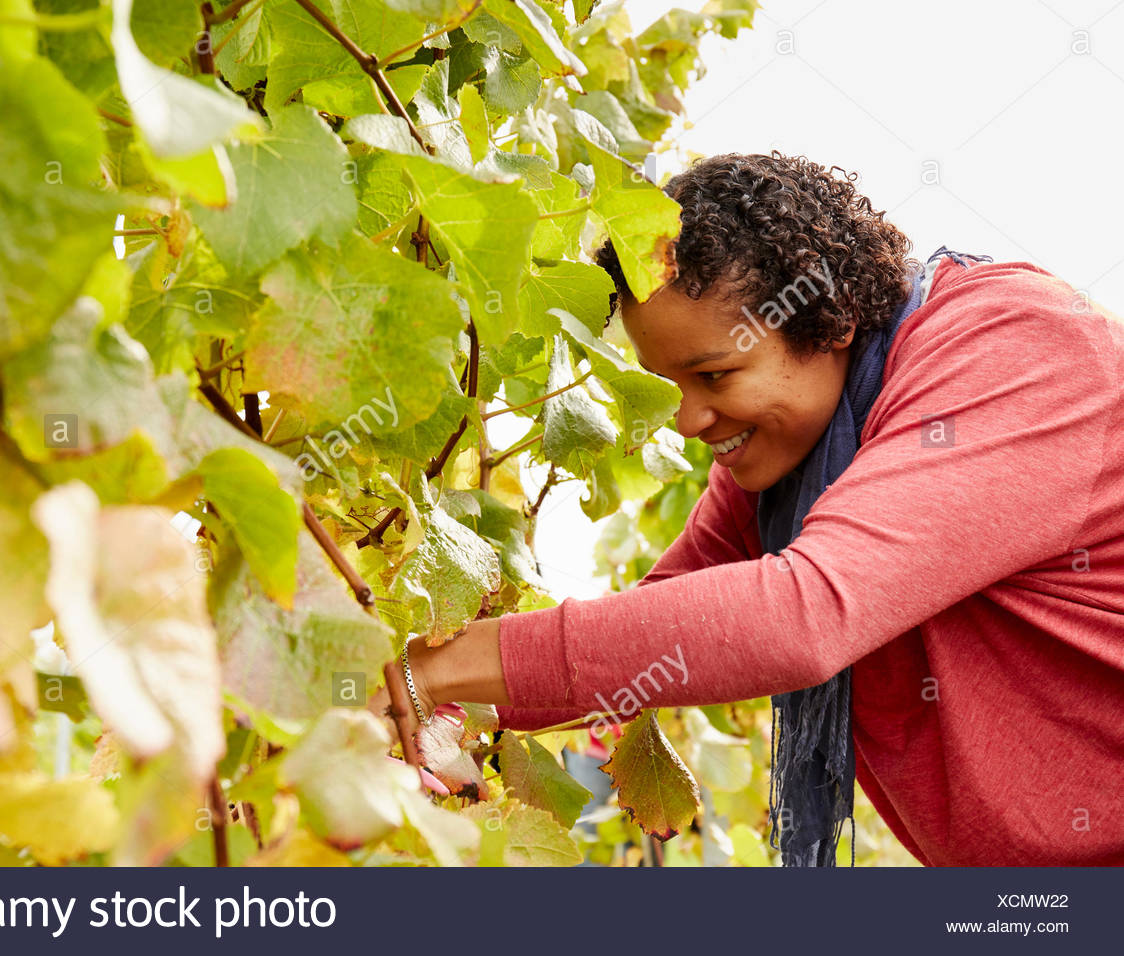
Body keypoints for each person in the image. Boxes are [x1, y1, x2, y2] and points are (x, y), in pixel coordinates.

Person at [376, 151, 1124, 867]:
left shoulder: (1018, 348)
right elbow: (663, 626)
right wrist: (446, 714)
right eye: (668, 384)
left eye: (715, 374)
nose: (686, 420)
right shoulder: (794, 459)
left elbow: (801, 615)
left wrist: (434, 667)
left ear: (828, 321)